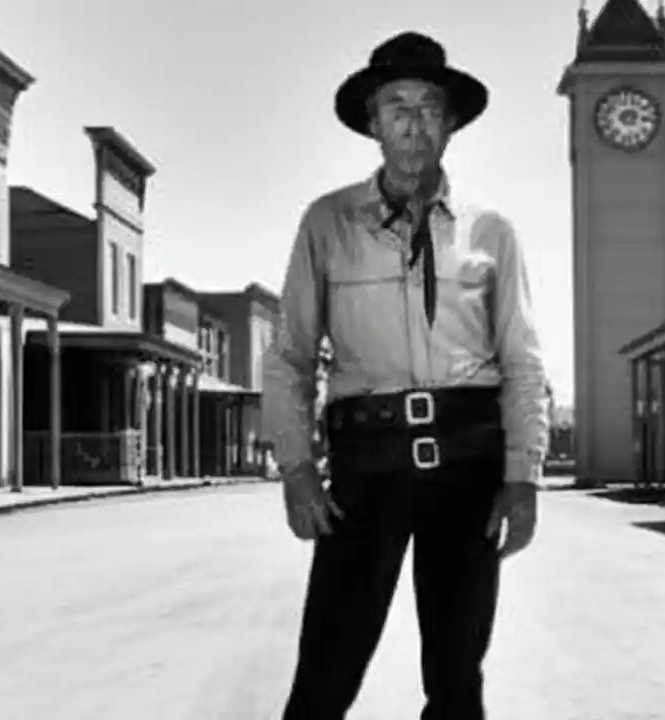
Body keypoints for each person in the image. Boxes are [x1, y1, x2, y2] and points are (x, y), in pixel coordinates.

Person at [261, 30, 550, 720]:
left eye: (429, 107)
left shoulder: (492, 233)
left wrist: (524, 475)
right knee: (326, 672)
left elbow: (521, 360)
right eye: (398, 105)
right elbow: (291, 355)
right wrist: (297, 467)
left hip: (470, 475)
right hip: (366, 471)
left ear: (451, 122)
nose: (414, 122)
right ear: (373, 121)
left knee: (457, 680)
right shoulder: (327, 223)